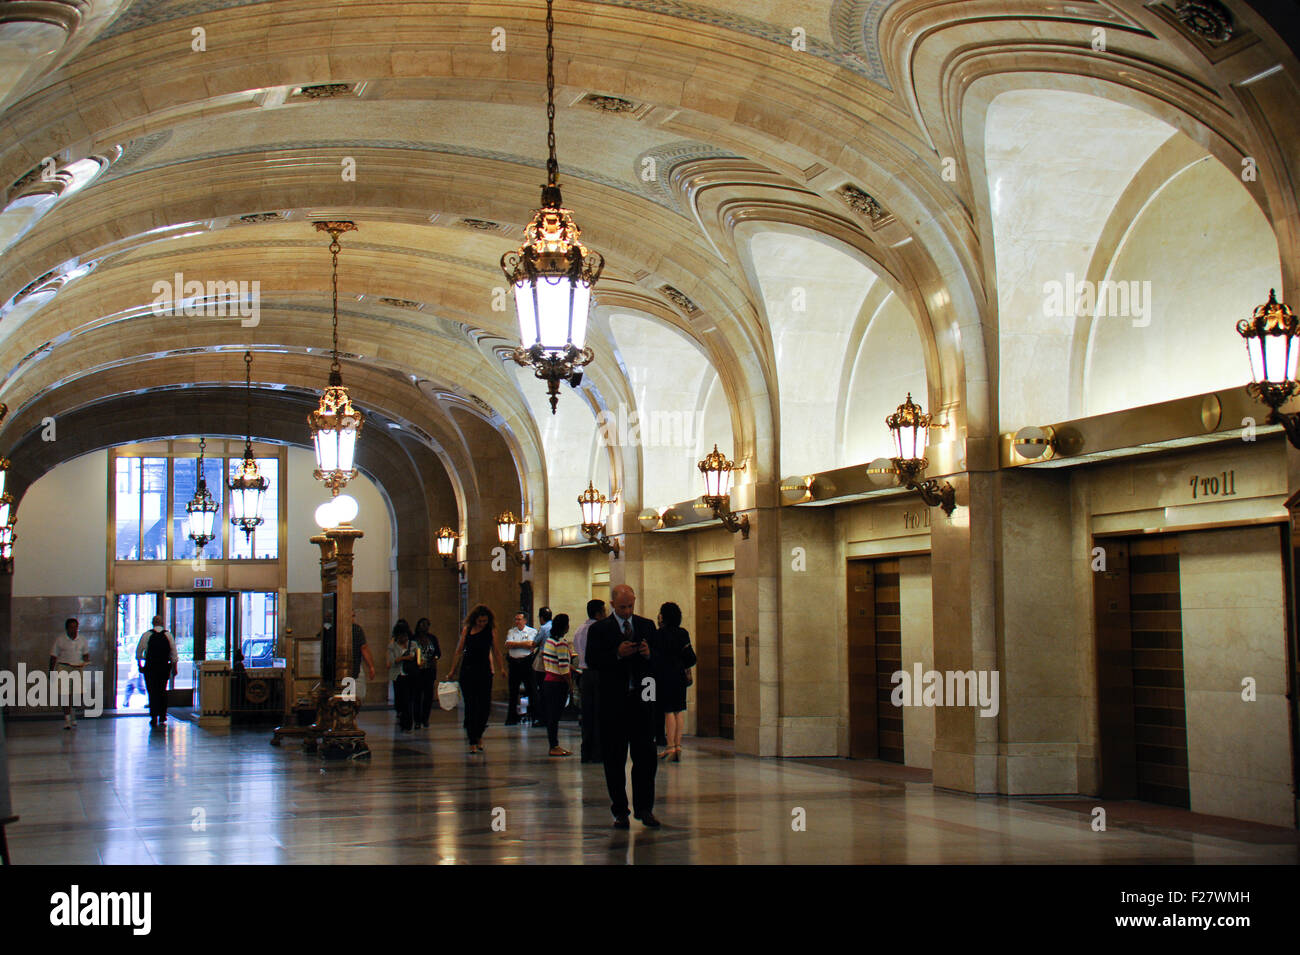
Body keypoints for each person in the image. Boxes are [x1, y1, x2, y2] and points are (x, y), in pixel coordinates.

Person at [586, 584, 660, 829]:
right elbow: (592, 660)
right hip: (613, 704)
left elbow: (660, 661)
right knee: (614, 759)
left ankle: (645, 808)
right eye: (622, 607)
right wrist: (616, 654)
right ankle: (620, 810)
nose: (627, 611)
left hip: (641, 702)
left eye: (630, 606)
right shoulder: (599, 629)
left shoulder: (647, 626)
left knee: (646, 757)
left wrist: (649, 655)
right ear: (612, 605)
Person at [445, 605, 503, 752]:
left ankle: (479, 734)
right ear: (475, 619)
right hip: (468, 671)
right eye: (480, 621)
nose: (482, 623)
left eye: (485, 621)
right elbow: (458, 651)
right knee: (471, 706)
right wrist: (452, 670)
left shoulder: (490, 631)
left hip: (484, 671)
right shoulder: (467, 630)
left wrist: (501, 667)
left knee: (484, 707)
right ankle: (472, 739)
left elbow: (496, 651)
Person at [653, 602, 697, 762]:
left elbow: (654, 657)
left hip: (664, 676)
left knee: (668, 710)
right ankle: (678, 746)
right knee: (679, 710)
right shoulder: (682, 633)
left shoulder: (659, 634)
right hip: (679, 675)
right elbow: (690, 657)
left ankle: (670, 746)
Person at [571, 599, 605, 763]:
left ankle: (586, 752)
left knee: (587, 714)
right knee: (599, 713)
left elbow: (577, 651)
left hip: (584, 674)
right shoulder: (599, 629)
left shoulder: (579, 630)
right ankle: (598, 752)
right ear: (598, 613)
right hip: (597, 673)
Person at [540, 613, 576, 756]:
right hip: (557, 684)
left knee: (551, 716)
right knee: (555, 716)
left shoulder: (549, 641)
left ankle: (553, 744)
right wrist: (570, 684)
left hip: (548, 681)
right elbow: (563, 668)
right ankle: (554, 746)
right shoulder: (561, 643)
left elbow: (552, 660)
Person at [135, 615, 177, 729]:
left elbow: (139, 652)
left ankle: (153, 716)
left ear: (152, 623)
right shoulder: (168, 635)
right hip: (164, 667)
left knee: (152, 691)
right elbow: (173, 653)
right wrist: (174, 667)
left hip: (151, 667)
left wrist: (140, 665)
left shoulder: (147, 635)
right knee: (162, 690)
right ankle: (163, 716)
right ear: (162, 622)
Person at [49, 618, 90, 729]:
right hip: (64, 667)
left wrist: (85, 661)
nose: (74, 629)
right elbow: (53, 656)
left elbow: (86, 654)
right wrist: (51, 672)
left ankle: (73, 713)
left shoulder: (82, 640)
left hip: (77, 668)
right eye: (72, 627)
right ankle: (67, 720)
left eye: (76, 627)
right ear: (67, 628)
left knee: (78, 693)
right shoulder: (60, 640)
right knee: (65, 694)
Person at [503, 612, 536, 725]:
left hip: (526, 662)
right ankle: (511, 717)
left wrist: (516, 644)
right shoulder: (511, 631)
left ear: (525, 621)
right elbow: (508, 644)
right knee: (513, 690)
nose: (517, 621)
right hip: (514, 663)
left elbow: (531, 644)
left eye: (520, 619)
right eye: (516, 619)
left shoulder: (532, 631)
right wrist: (523, 644)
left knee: (531, 689)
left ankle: (534, 714)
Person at [387, 622, 418, 732]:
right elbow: (391, 661)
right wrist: (404, 658)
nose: (403, 638)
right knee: (400, 700)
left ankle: (408, 723)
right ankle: (402, 718)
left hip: (410, 675)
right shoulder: (392, 646)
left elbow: (418, 658)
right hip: (398, 676)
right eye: (400, 636)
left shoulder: (413, 644)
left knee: (409, 700)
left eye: (405, 635)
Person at [412, 618, 442, 728]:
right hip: (417, 671)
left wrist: (434, 658)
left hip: (429, 670)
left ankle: (425, 718)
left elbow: (438, 653)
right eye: (422, 625)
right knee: (417, 696)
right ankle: (417, 720)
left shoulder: (432, 638)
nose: (424, 627)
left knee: (428, 696)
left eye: (427, 625)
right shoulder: (414, 639)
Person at [530, 607, 553, 727]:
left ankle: (541, 717)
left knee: (541, 690)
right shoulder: (554, 625)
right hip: (553, 663)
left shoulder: (544, 628)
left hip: (542, 663)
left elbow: (535, 642)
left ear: (541, 618)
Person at [350, 613, 377, 703]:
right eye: (352, 616)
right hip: (355, 667)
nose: (353, 618)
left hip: (342, 668)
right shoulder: (356, 629)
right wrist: (371, 666)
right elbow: (364, 648)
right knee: (357, 696)